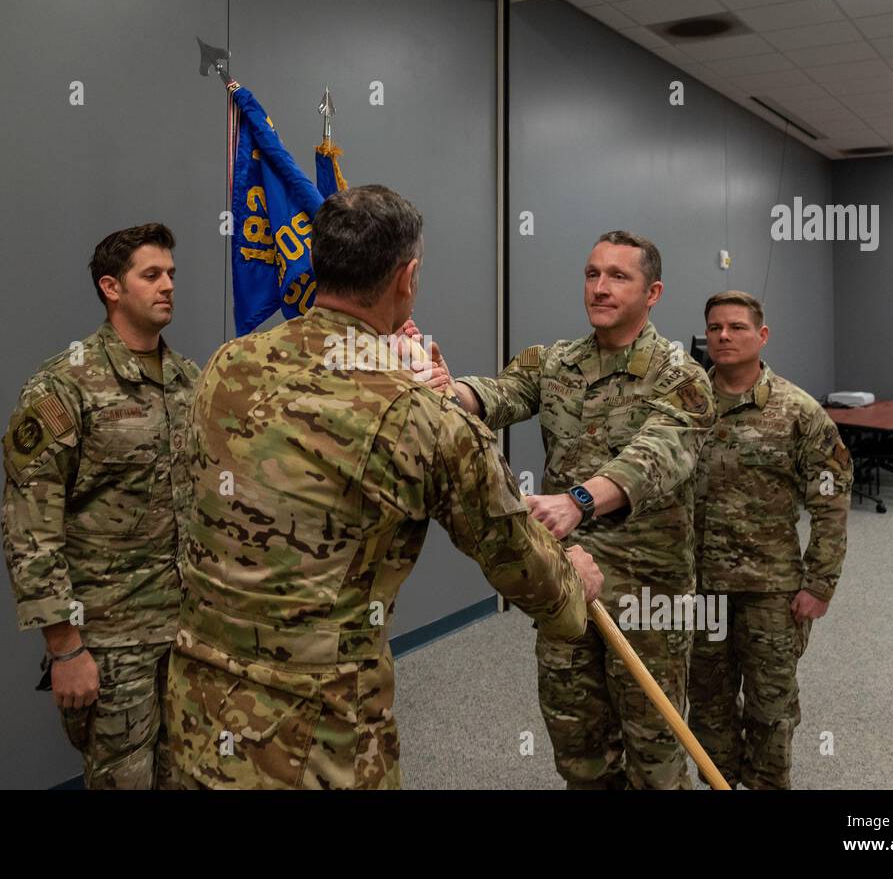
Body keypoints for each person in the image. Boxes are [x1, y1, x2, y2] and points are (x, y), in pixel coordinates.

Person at [166, 185, 602, 789]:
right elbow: (519, 562)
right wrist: (573, 585)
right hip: (314, 737)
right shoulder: (420, 415)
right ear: (408, 276)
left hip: (197, 707)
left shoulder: (226, 363)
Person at [443, 230, 715, 789]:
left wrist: (579, 501)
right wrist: (451, 392)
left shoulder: (682, 376)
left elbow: (658, 454)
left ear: (653, 291)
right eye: (592, 274)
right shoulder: (555, 362)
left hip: (648, 595)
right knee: (579, 750)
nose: (600, 287)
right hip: (568, 584)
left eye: (619, 276)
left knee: (656, 756)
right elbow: (500, 394)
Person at [0, 223, 200, 789]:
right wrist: (65, 648)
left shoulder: (189, 380)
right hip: (110, 642)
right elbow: (29, 524)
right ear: (112, 288)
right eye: (152, 274)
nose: (168, 286)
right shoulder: (65, 384)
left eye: (172, 275)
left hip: (186, 633)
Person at [688, 290, 851, 789]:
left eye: (737, 327)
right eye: (715, 327)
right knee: (707, 705)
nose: (724, 336)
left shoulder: (798, 411)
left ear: (761, 336)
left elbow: (831, 501)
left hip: (771, 590)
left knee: (771, 706)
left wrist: (820, 584)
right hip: (699, 588)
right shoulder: (684, 406)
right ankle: (721, 782)